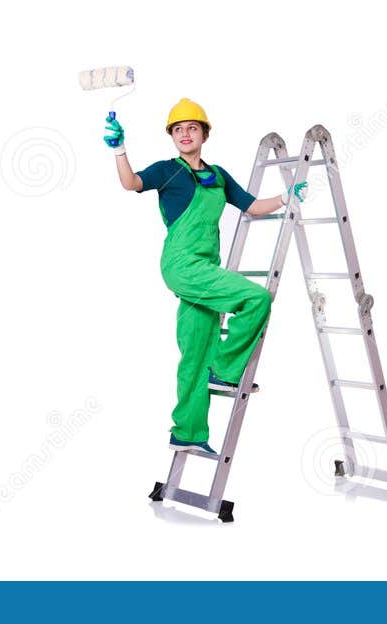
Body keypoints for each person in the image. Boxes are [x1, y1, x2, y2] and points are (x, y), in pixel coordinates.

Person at [104, 99, 305, 454]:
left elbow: (252, 205)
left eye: (192, 128)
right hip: (182, 265)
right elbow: (130, 182)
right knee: (256, 298)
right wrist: (120, 149)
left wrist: (285, 197)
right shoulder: (167, 171)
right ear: (171, 136)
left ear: (204, 134)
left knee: (195, 351)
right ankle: (226, 370)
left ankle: (188, 433)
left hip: (207, 268)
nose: (184, 134)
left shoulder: (219, 175)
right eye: (178, 129)